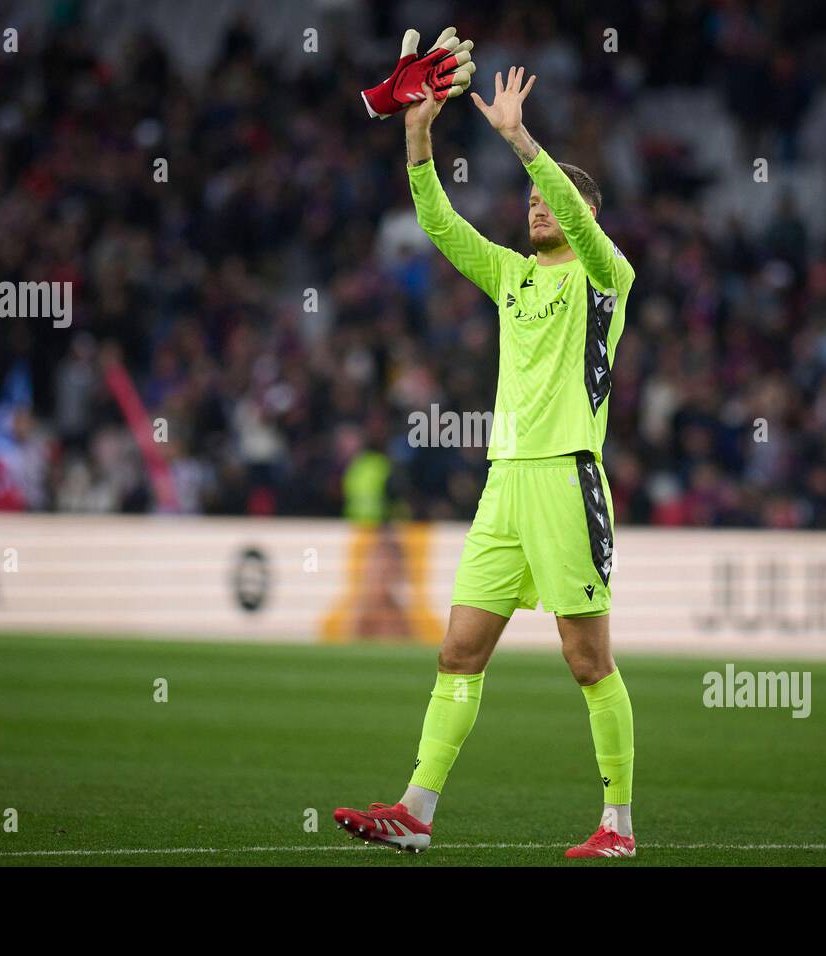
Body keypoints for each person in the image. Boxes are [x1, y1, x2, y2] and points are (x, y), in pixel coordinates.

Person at [334, 65, 638, 858]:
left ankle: (618, 827)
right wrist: (418, 126)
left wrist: (520, 139)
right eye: (531, 197)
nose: (536, 204)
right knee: (457, 651)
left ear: (586, 216)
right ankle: (416, 811)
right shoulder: (510, 275)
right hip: (504, 483)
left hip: (567, 478)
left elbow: (567, 199)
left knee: (586, 658)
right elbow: (436, 221)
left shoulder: (608, 278)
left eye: (552, 199)